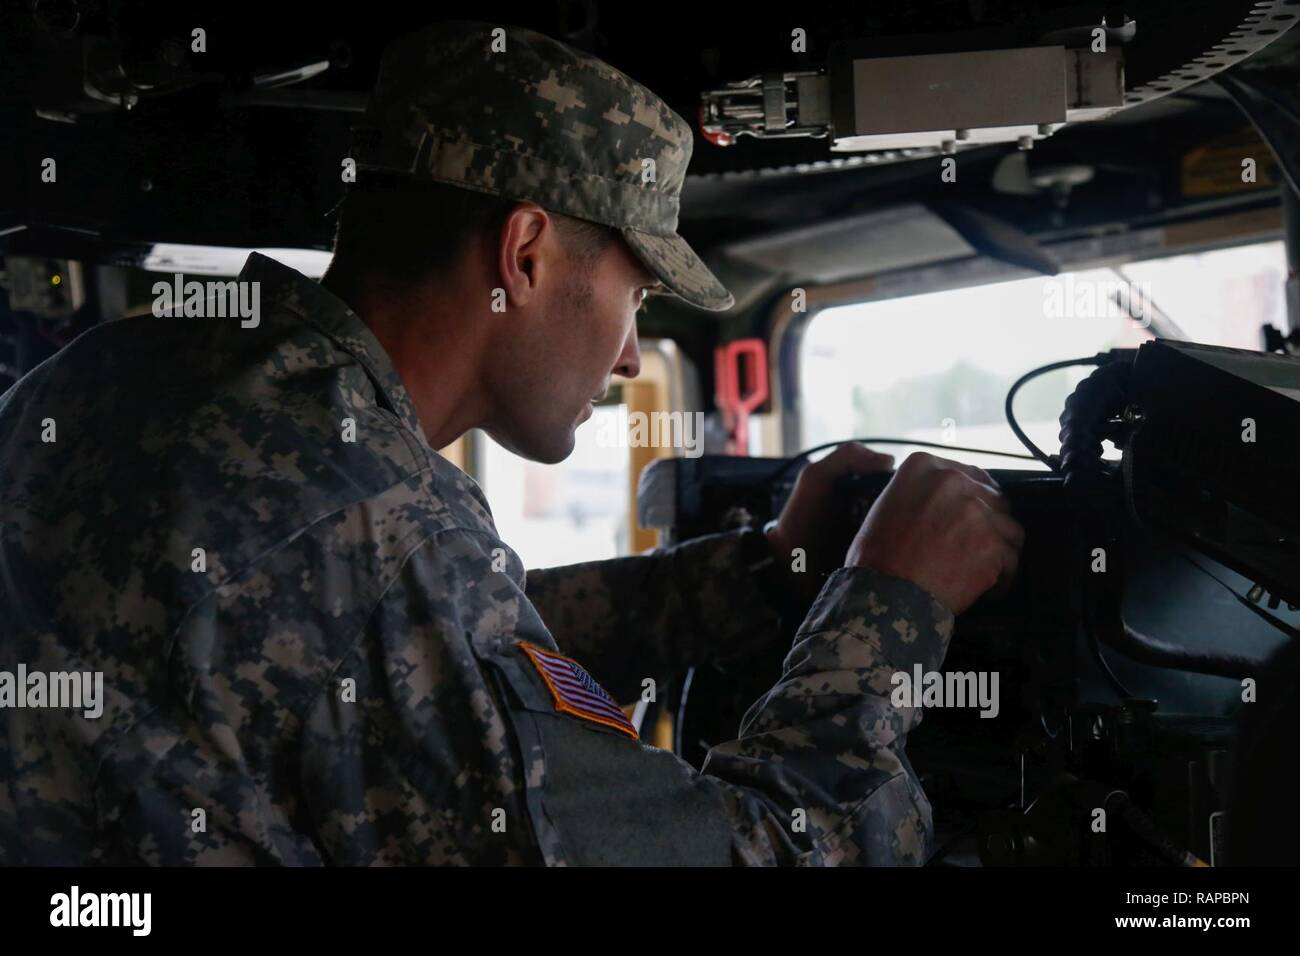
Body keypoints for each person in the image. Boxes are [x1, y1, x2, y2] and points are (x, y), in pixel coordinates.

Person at [0, 19, 1022, 865]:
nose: (631, 357)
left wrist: (753, 577)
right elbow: (759, 851)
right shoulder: (377, 517)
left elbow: (449, 656)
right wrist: (892, 607)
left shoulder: (126, 376)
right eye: (636, 295)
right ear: (524, 254)